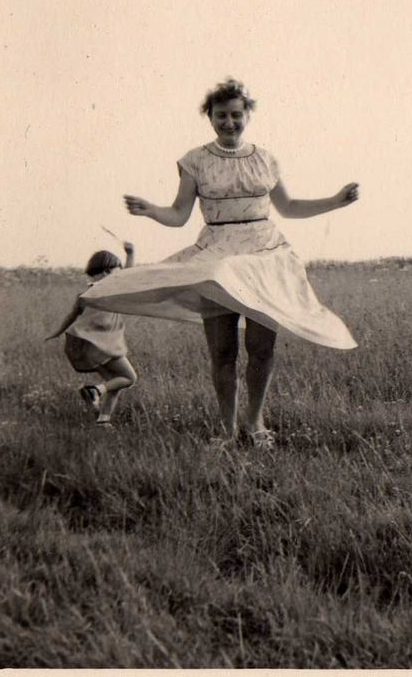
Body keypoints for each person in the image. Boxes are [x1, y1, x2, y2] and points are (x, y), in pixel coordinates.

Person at [81, 79, 359, 448]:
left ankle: (255, 423)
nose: (229, 122)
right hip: (217, 255)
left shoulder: (266, 158)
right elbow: (179, 215)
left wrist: (336, 201)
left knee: (262, 348)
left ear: (248, 115)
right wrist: (151, 211)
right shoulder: (194, 160)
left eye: (236, 115)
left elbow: (289, 208)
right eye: (221, 115)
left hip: (263, 256)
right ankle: (225, 430)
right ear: (209, 117)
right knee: (223, 350)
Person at [45, 242, 137, 428]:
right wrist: (131, 253)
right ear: (106, 272)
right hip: (100, 345)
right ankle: (94, 390)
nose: (120, 274)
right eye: (117, 270)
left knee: (114, 382)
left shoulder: (85, 294)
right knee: (129, 378)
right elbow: (129, 276)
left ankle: (103, 420)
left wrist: (56, 333)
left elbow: (72, 316)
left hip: (80, 343)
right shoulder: (110, 289)